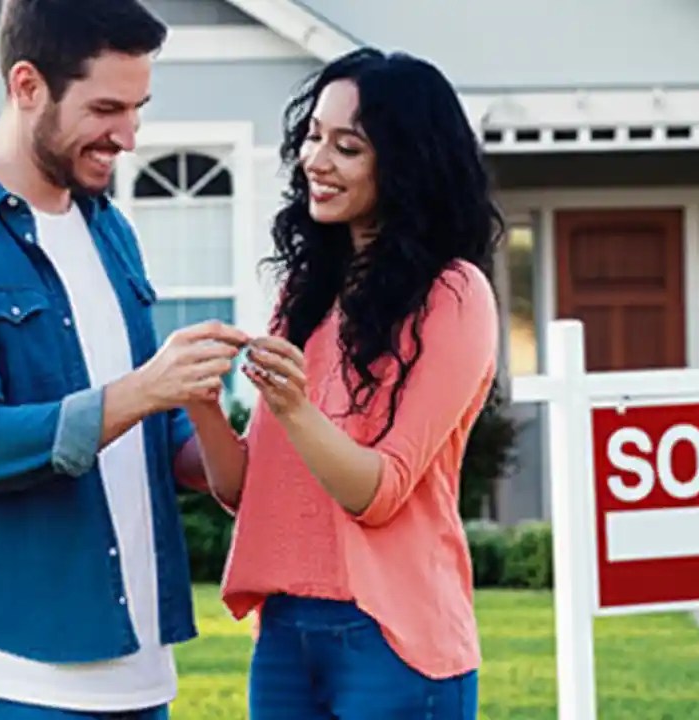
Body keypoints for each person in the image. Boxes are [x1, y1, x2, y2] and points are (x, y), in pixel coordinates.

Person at [0, 1, 247, 718]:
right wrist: (142, 390)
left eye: (138, 109)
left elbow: (162, 445)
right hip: (6, 674)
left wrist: (204, 407)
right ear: (27, 86)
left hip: (139, 673)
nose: (128, 137)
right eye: (106, 108)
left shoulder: (111, 233)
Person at [183, 48, 503, 719]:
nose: (315, 160)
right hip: (286, 636)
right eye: (313, 137)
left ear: (407, 162)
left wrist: (296, 408)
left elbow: (379, 492)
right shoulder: (306, 294)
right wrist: (201, 402)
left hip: (394, 639)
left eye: (347, 147)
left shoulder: (453, 295)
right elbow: (249, 490)